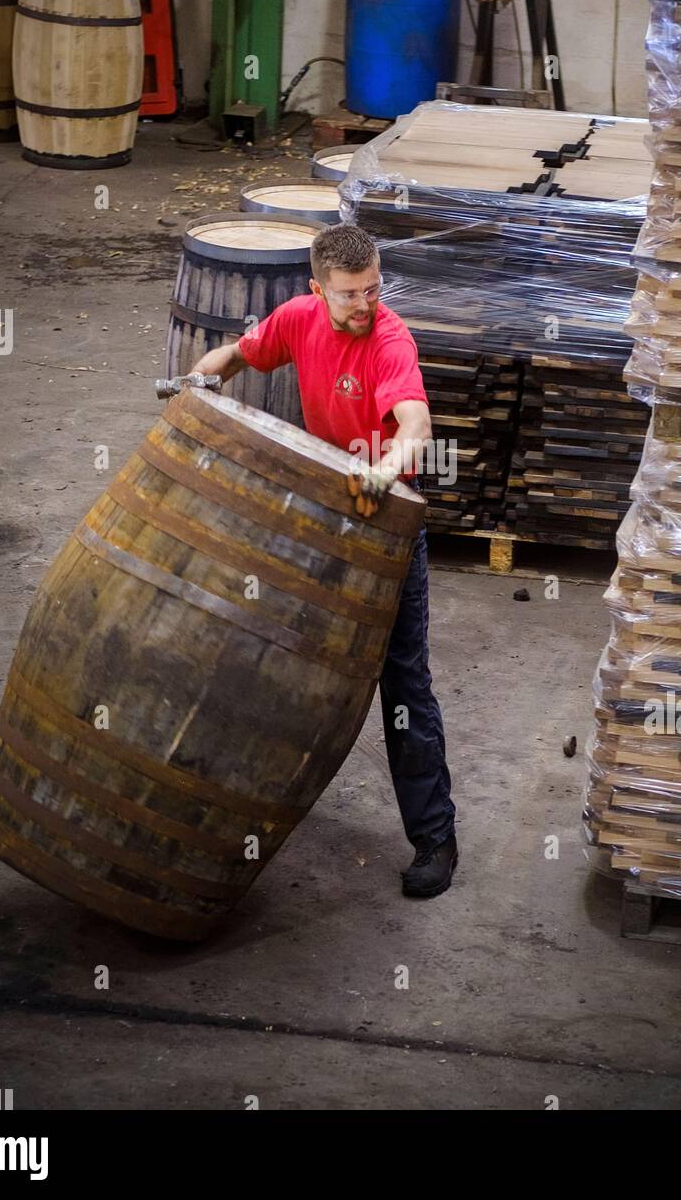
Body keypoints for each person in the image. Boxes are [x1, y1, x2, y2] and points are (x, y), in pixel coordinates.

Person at [189, 222, 458, 898]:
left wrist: (387, 468)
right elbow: (242, 354)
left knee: (403, 683)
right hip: (323, 516)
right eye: (348, 296)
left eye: (372, 290)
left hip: (388, 523)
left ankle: (435, 840)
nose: (364, 306)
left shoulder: (391, 339)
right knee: (277, 656)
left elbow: (416, 424)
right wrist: (201, 374)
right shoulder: (299, 318)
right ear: (317, 289)